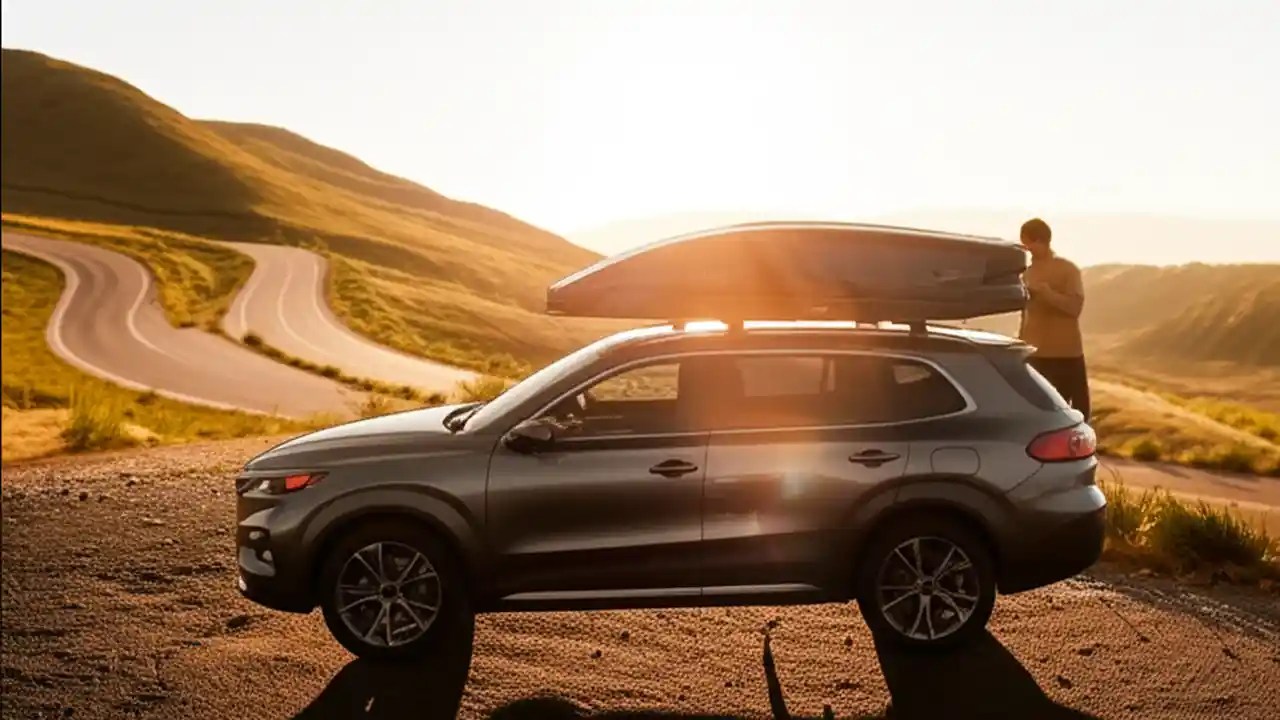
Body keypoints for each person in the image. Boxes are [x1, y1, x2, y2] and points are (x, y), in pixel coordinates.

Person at [1017, 218, 1091, 420]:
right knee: (1037, 416)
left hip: (1065, 355)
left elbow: (1075, 307)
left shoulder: (1068, 269)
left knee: (1075, 415)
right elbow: (1025, 315)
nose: (1026, 249)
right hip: (1034, 355)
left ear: (1041, 241)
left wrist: (1047, 294)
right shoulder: (1026, 273)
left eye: (1029, 243)